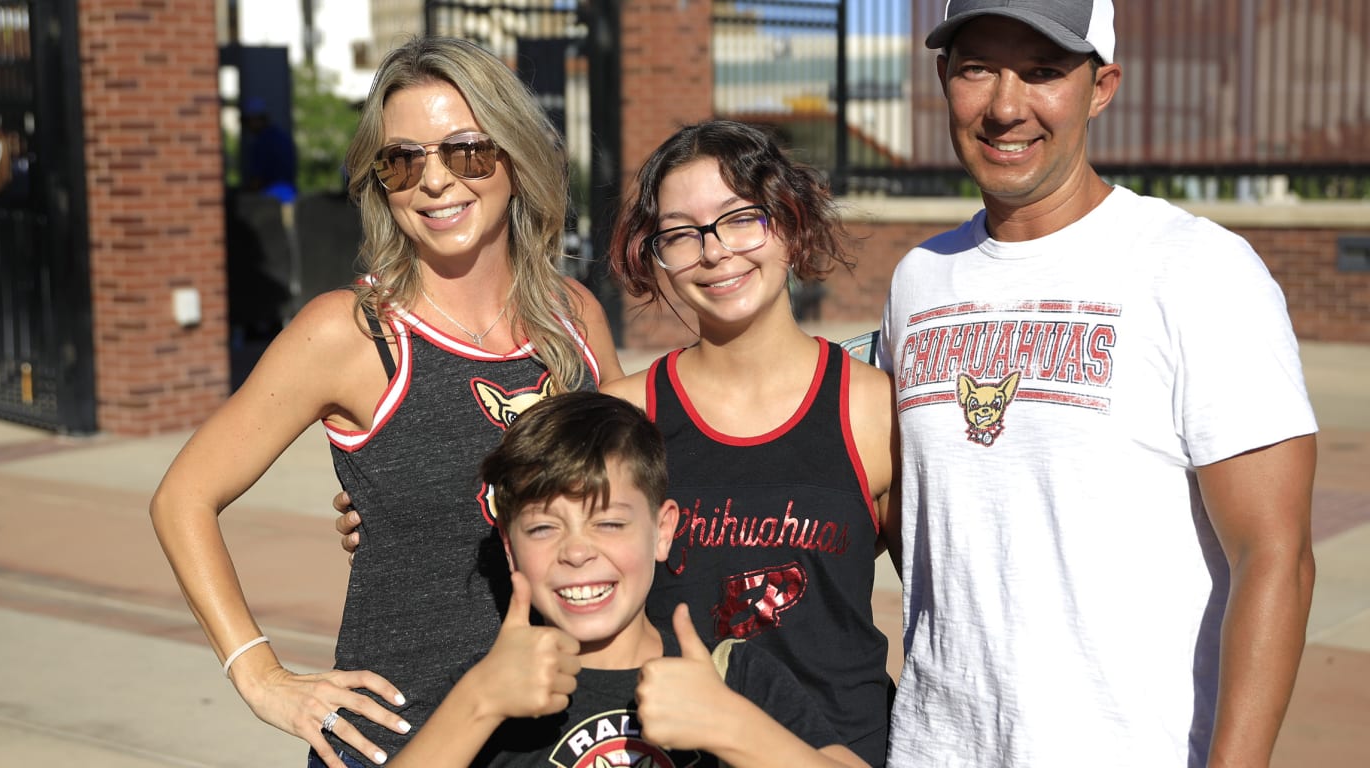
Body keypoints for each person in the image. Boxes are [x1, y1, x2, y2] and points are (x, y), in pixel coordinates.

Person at [150, 36, 622, 768]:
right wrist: (260, 675)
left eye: (467, 151)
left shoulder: (576, 320)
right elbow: (183, 497)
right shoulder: (351, 333)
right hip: (403, 734)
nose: (434, 181)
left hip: (566, 729)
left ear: (516, 158)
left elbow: (630, 504)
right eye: (403, 161)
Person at [877, 1, 1318, 765]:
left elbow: (1274, 555)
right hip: (938, 747)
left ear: (1101, 87)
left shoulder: (1197, 269)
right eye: (977, 68)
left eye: (1043, 71)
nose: (1006, 107)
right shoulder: (919, 281)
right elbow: (920, 520)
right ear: (944, 79)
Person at [603, 120, 900, 765]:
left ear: (790, 226)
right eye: (681, 233)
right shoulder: (623, 416)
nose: (714, 251)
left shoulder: (875, 410)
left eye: (741, 219)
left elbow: (951, 607)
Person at [394, 390, 869, 767]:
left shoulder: (732, 676)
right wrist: (479, 703)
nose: (577, 551)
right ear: (508, 547)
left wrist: (732, 727)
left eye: (609, 523)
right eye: (542, 527)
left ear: (663, 532)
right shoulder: (484, 689)